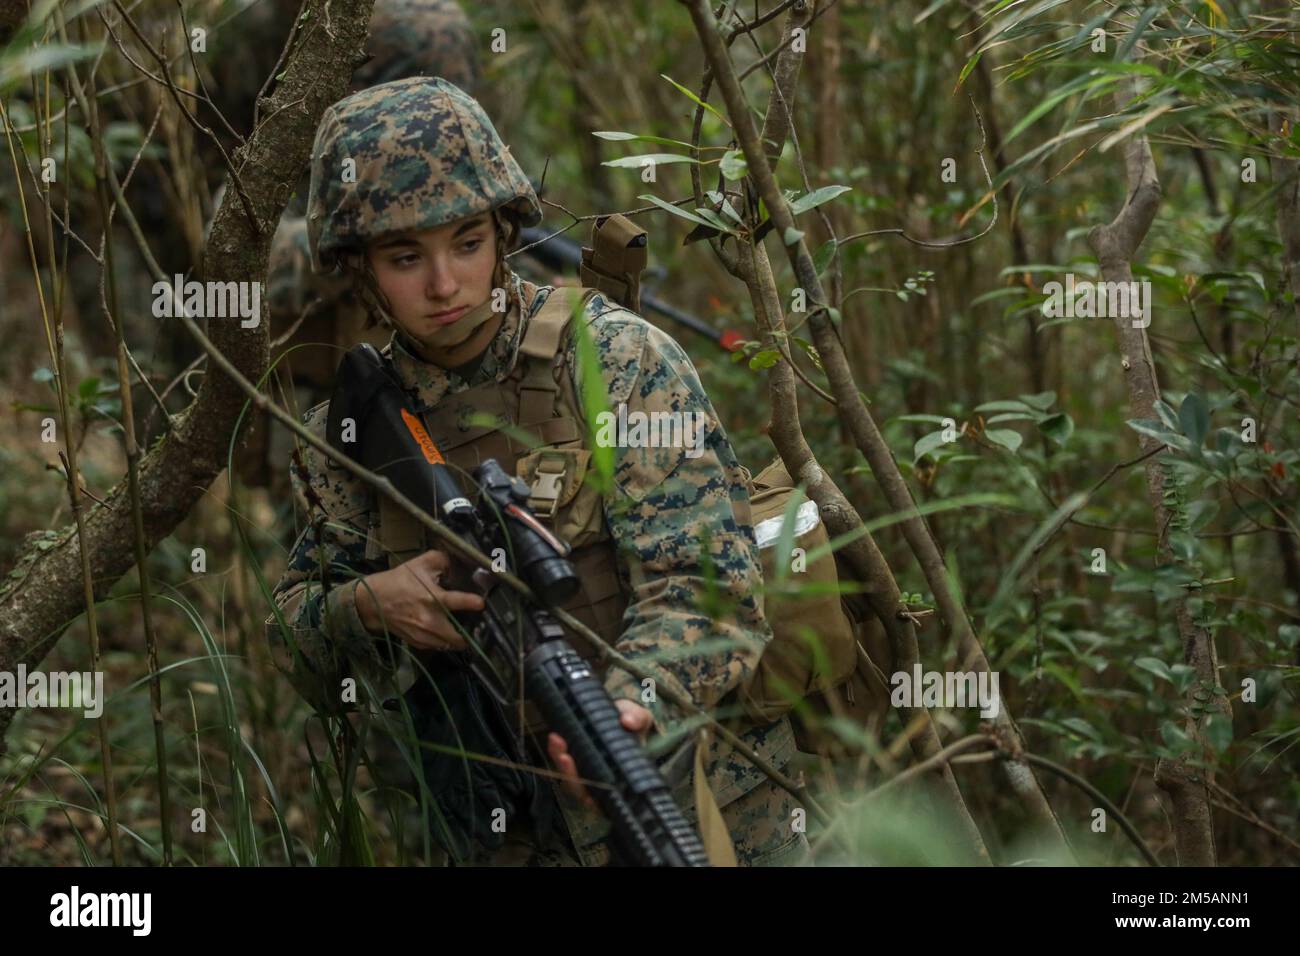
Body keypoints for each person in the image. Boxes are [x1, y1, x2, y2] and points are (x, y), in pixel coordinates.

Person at [264, 76, 809, 866]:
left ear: (504, 232)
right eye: (406, 256)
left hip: (695, 800)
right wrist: (368, 606)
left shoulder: (616, 360)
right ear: (359, 268)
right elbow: (295, 642)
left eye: (467, 243)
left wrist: (629, 707)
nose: (444, 284)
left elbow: (710, 588)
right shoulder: (343, 436)